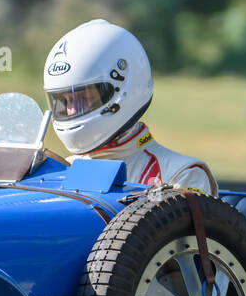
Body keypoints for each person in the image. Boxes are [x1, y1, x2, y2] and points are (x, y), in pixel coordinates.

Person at [43, 18, 217, 195]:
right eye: (67, 101)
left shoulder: (180, 175)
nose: (72, 110)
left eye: (84, 99)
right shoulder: (59, 172)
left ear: (123, 89)